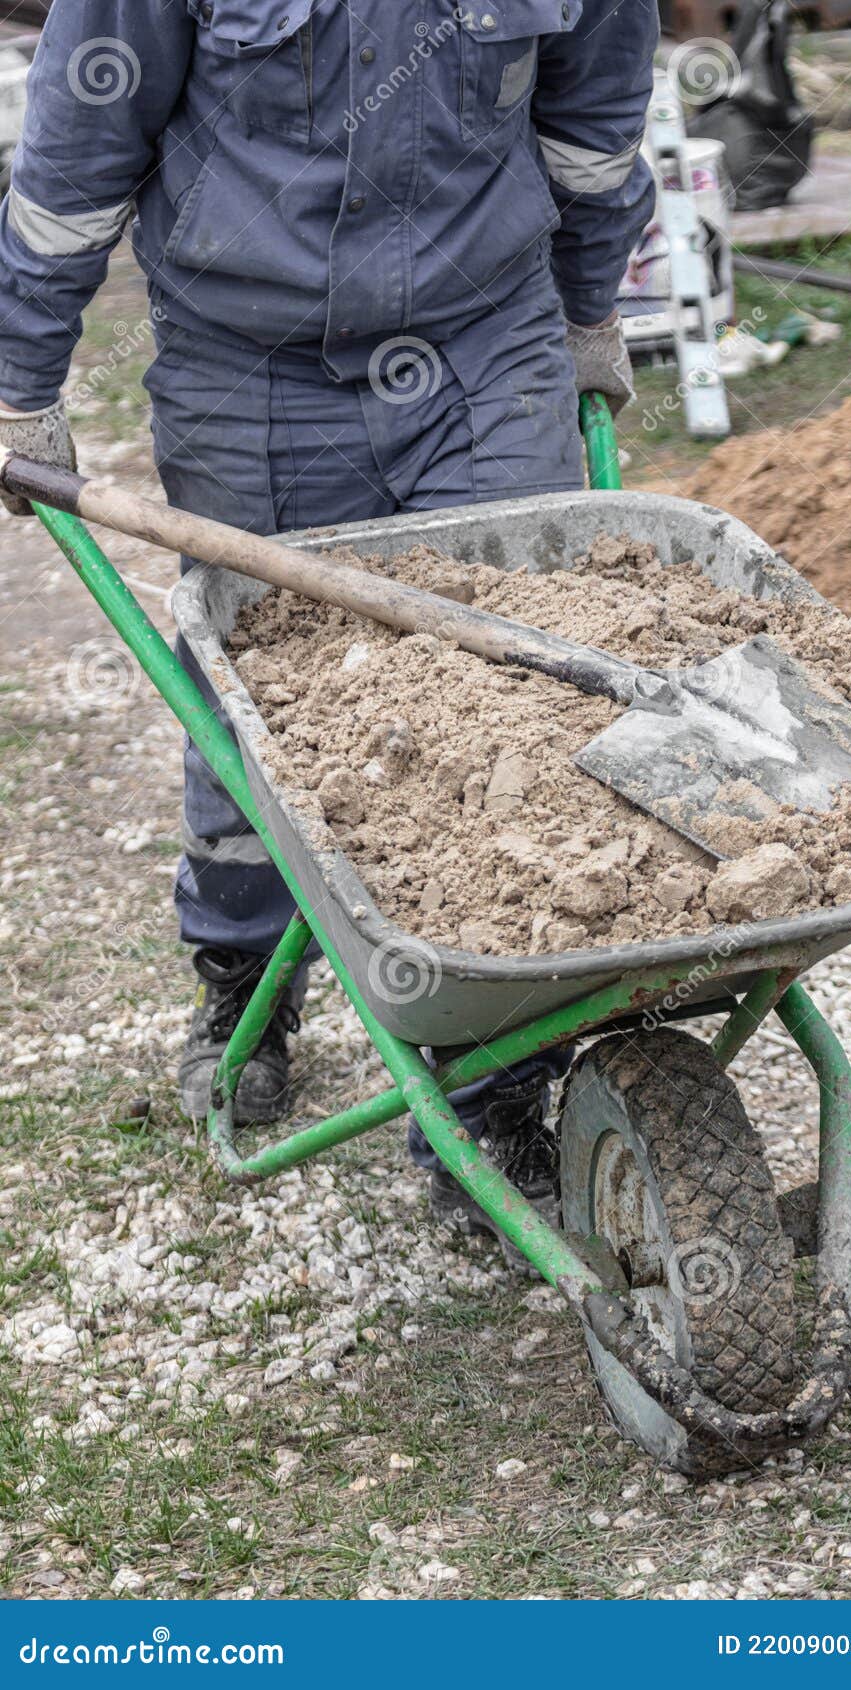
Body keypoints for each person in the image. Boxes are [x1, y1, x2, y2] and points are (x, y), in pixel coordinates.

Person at [0, 1, 657, 1259]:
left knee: (514, 694)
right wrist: (21, 381)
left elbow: (592, 123)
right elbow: (79, 151)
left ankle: (492, 1087)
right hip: (254, 362)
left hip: (486, 343)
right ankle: (247, 983)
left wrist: (585, 312)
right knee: (267, 698)